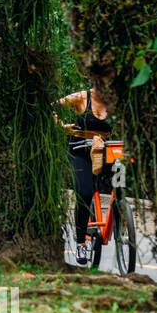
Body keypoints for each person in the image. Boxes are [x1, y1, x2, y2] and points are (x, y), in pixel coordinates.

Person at [57, 78, 113, 265]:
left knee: (119, 182)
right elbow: (51, 108)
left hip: (104, 152)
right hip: (80, 152)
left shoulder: (116, 102)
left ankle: (120, 216)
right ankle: (81, 242)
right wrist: (61, 125)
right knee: (85, 192)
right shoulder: (82, 97)